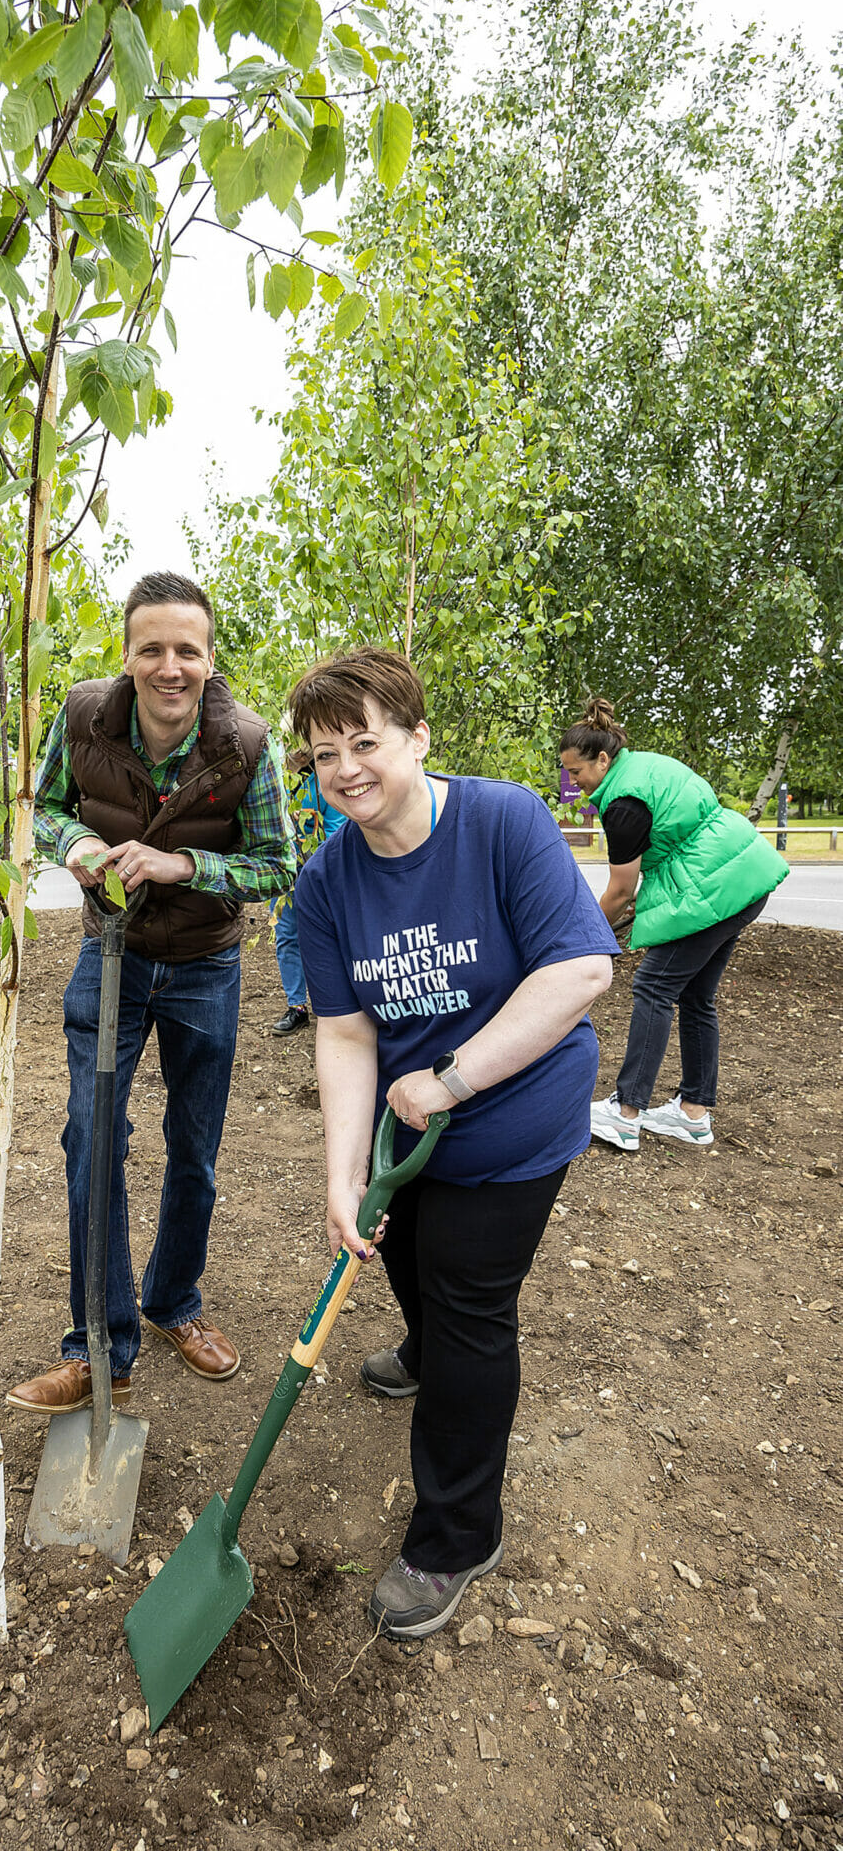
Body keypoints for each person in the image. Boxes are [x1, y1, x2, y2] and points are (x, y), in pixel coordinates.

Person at [288, 648, 617, 1639]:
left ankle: (456, 1536)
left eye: (363, 742)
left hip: (511, 1119)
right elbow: (346, 1033)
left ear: (417, 736)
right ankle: (421, 1349)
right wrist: (344, 1172)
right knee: (408, 1266)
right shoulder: (325, 882)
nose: (344, 769)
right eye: (323, 755)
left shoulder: (501, 821)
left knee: (470, 1308)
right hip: (408, 1130)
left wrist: (453, 1079)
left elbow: (579, 973)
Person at [6, 573, 296, 1414]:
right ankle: (99, 1348)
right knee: (91, 1141)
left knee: (193, 1149)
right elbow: (41, 808)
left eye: (188, 651)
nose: (171, 667)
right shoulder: (82, 718)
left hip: (205, 966)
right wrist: (75, 844)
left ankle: (174, 1304)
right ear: (128, 655)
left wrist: (183, 865)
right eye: (153, 649)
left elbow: (278, 865)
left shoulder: (248, 746)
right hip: (113, 956)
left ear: (210, 658)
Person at [560, 698, 789, 1153]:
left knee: (653, 986)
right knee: (696, 995)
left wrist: (587, 939)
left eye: (576, 771)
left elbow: (620, 891)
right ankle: (693, 1114)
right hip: (744, 875)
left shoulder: (623, 805)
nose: (574, 782)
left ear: (602, 760)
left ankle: (626, 1113)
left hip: (714, 887)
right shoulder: (643, 766)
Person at [270, 746, 347, 1035]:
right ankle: (297, 1007)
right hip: (281, 871)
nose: (298, 753)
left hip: (318, 872)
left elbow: (335, 832)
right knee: (287, 935)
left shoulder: (324, 779)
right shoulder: (272, 773)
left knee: (332, 934)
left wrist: (315, 871)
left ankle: (338, 1003)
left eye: (304, 748)